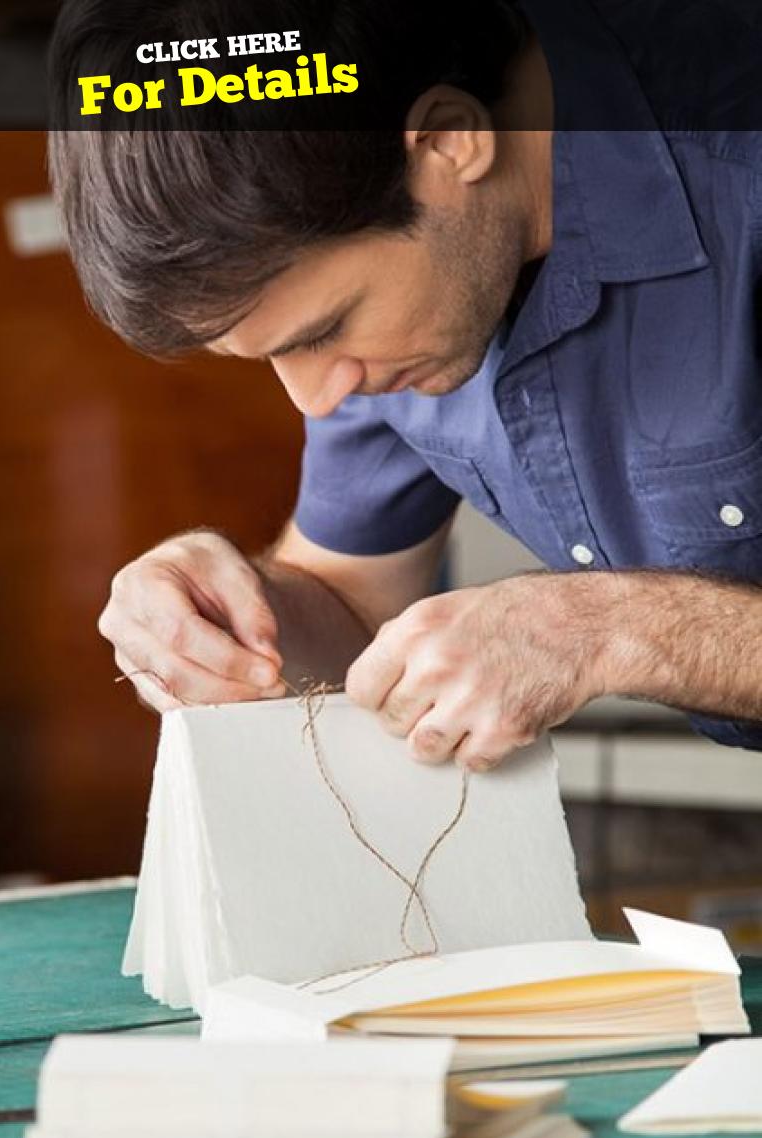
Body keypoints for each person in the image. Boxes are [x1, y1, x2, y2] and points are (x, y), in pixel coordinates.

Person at [49, 0, 762, 771]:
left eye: (324, 331)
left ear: (450, 140)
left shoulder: (739, 174)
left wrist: (607, 628)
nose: (316, 399)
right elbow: (355, 604)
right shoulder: (376, 260)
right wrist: (228, 610)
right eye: (268, 356)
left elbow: (599, 628)